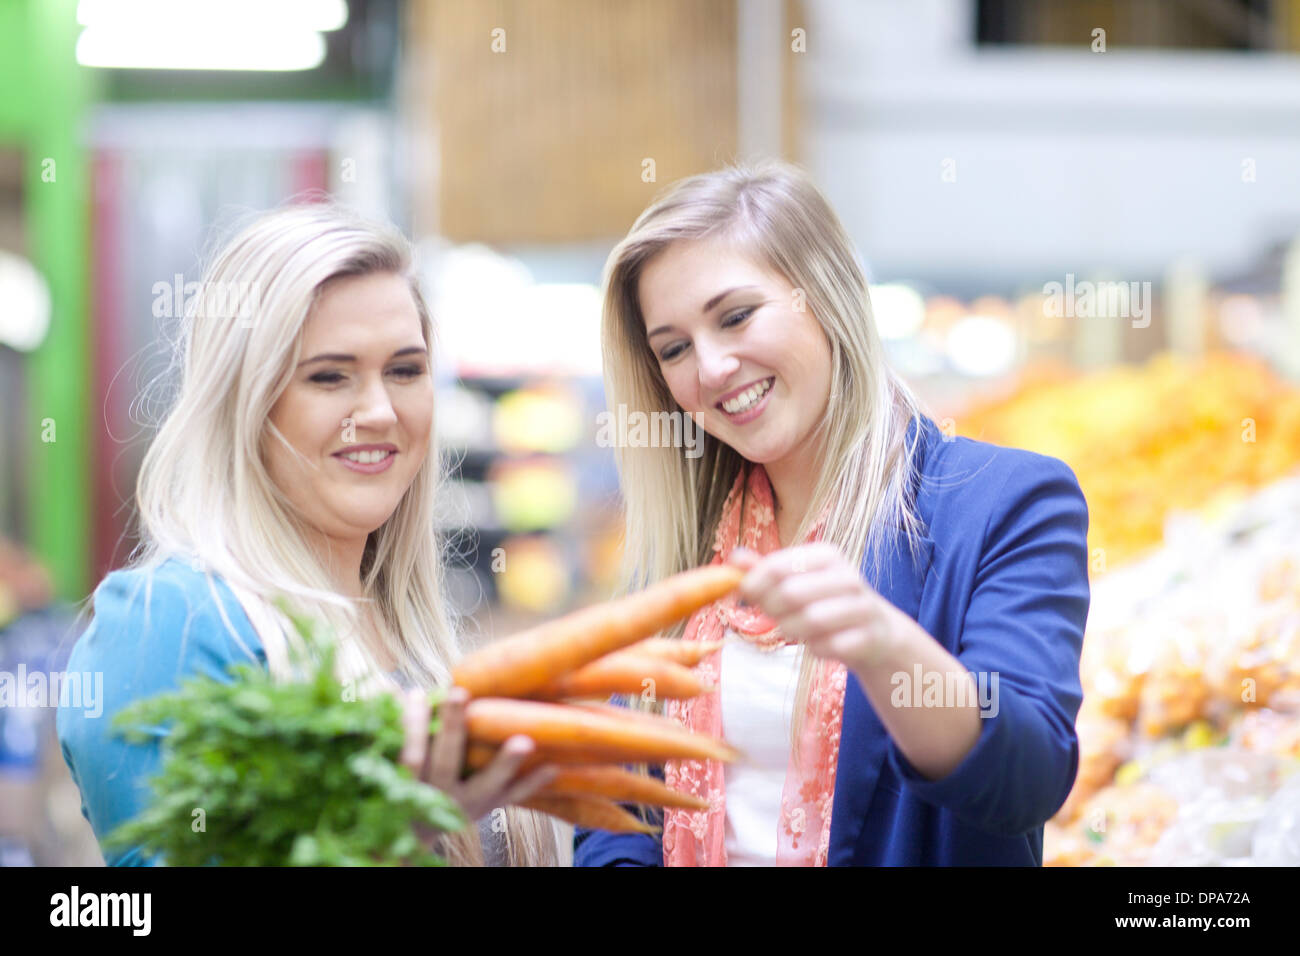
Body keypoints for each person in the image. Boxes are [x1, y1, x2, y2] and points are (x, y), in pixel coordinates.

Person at [575, 161, 1090, 866]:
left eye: (736, 316)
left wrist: (883, 645)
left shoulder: (1006, 503)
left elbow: (1026, 777)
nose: (712, 366)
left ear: (824, 293)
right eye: (674, 348)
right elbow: (620, 814)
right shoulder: (684, 550)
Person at [56, 202, 561, 866]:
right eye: (330, 376)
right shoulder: (164, 626)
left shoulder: (418, 633)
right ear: (247, 399)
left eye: (405, 370)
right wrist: (385, 837)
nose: (380, 411)